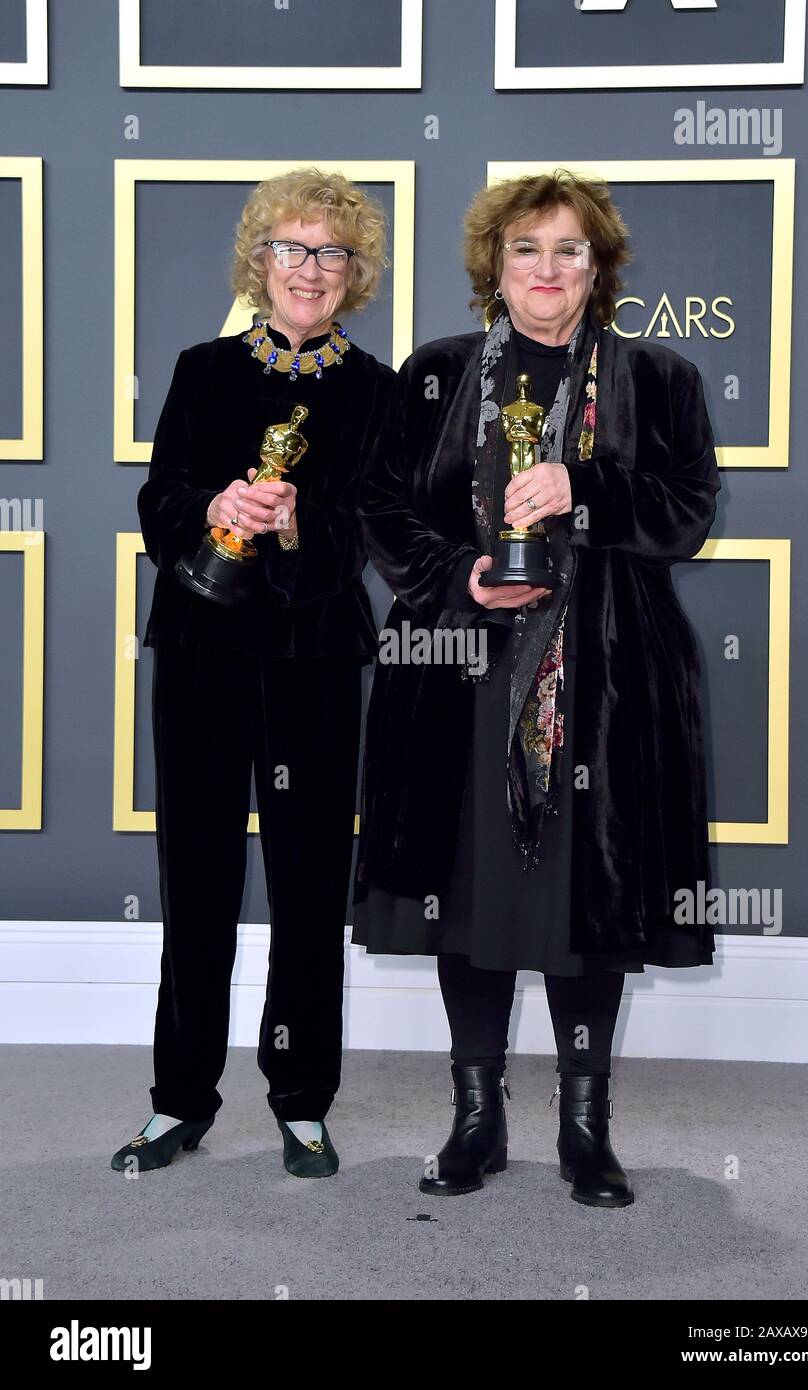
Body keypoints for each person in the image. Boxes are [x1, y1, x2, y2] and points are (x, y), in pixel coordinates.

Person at [352, 168, 721, 1207]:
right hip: (459, 672)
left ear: (596, 266)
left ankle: (583, 1125)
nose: (546, 269)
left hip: (605, 676)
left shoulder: (656, 379)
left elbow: (687, 511)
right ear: (494, 266)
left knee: (582, 902)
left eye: (568, 249)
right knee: (462, 894)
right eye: (526, 249)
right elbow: (382, 509)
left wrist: (584, 486)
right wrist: (454, 578)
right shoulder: (435, 373)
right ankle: (475, 1118)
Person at [111, 168, 395, 1178]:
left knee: (310, 885)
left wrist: (293, 525)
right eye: (290, 248)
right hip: (199, 649)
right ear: (259, 261)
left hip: (311, 655)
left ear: (353, 272)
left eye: (330, 252)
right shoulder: (201, 368)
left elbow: (372, 525)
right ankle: (179, 1099)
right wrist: (216, 508)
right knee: (193, 877)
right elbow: (158, 502)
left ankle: (301, 1098)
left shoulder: (376, 389)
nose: (309, 269)